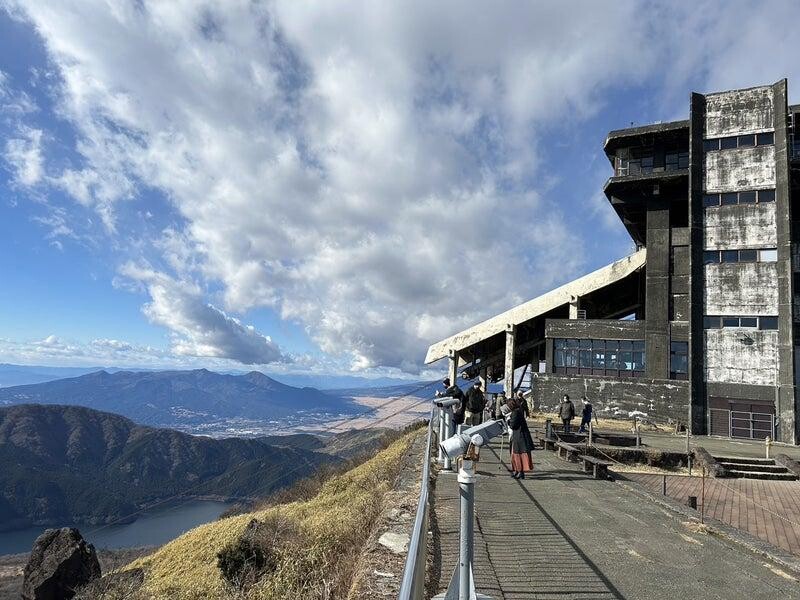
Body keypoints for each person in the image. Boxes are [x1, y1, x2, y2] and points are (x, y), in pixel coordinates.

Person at [506, 397, 535, 479]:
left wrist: (508, 421)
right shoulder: (518, 411)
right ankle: (517, 471)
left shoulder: (515, 412)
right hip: (519, 435)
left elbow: (513, 425)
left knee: (518, 454)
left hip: (519, 436)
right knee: (516, 454)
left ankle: (520, 472)